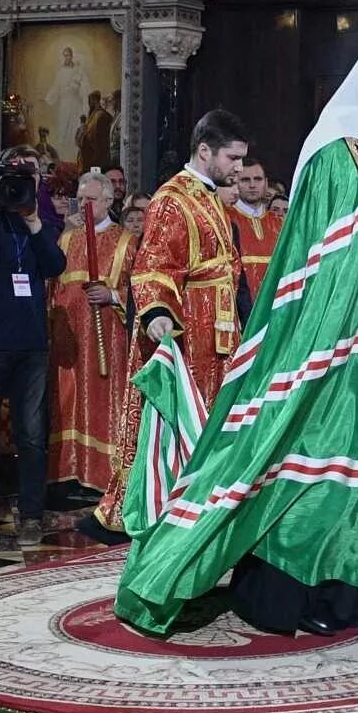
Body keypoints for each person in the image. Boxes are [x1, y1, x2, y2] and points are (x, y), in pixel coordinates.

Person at [113, 13, 358, 639]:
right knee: (321, 471)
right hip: (338, 354)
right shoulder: (339, 155)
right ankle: (309, 592)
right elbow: (340, 254)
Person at [93, 110, 248, 535]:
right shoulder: (171, 199)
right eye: (232, 159)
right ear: (204, 151)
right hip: (189, 334)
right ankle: (173, 507)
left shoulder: (210, 195)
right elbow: (153, 266)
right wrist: (159, 314)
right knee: (186, 424)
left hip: (218, 331)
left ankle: (205, 505)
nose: (238, 169)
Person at [0, 157, 66, 547]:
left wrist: (35, 222)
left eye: (28, 183)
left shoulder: (38, 223)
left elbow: (55, 265)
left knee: (33, 434)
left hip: (30, 344)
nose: (18, 191)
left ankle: (32, 516)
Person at [49, 169, 133, 497]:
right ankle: (66, 470)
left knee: (101, 403)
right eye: (80, 198)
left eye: (90, 199)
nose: (83, 205)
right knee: (66, 400)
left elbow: (140, 291)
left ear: (108, 202)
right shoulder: (67, 239)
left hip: (107, 339)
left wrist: (113, 296)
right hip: (68, 340)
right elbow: (54, 288)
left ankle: (102, 474)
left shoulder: (125, 242)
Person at [227, 156, 286, 302]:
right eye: (245, 180)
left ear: (266, 184)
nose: (252, 185)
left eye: (258, 179)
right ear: (235, 183)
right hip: (237, 309)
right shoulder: (224, 218)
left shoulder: (280, 223)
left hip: (274, 307)